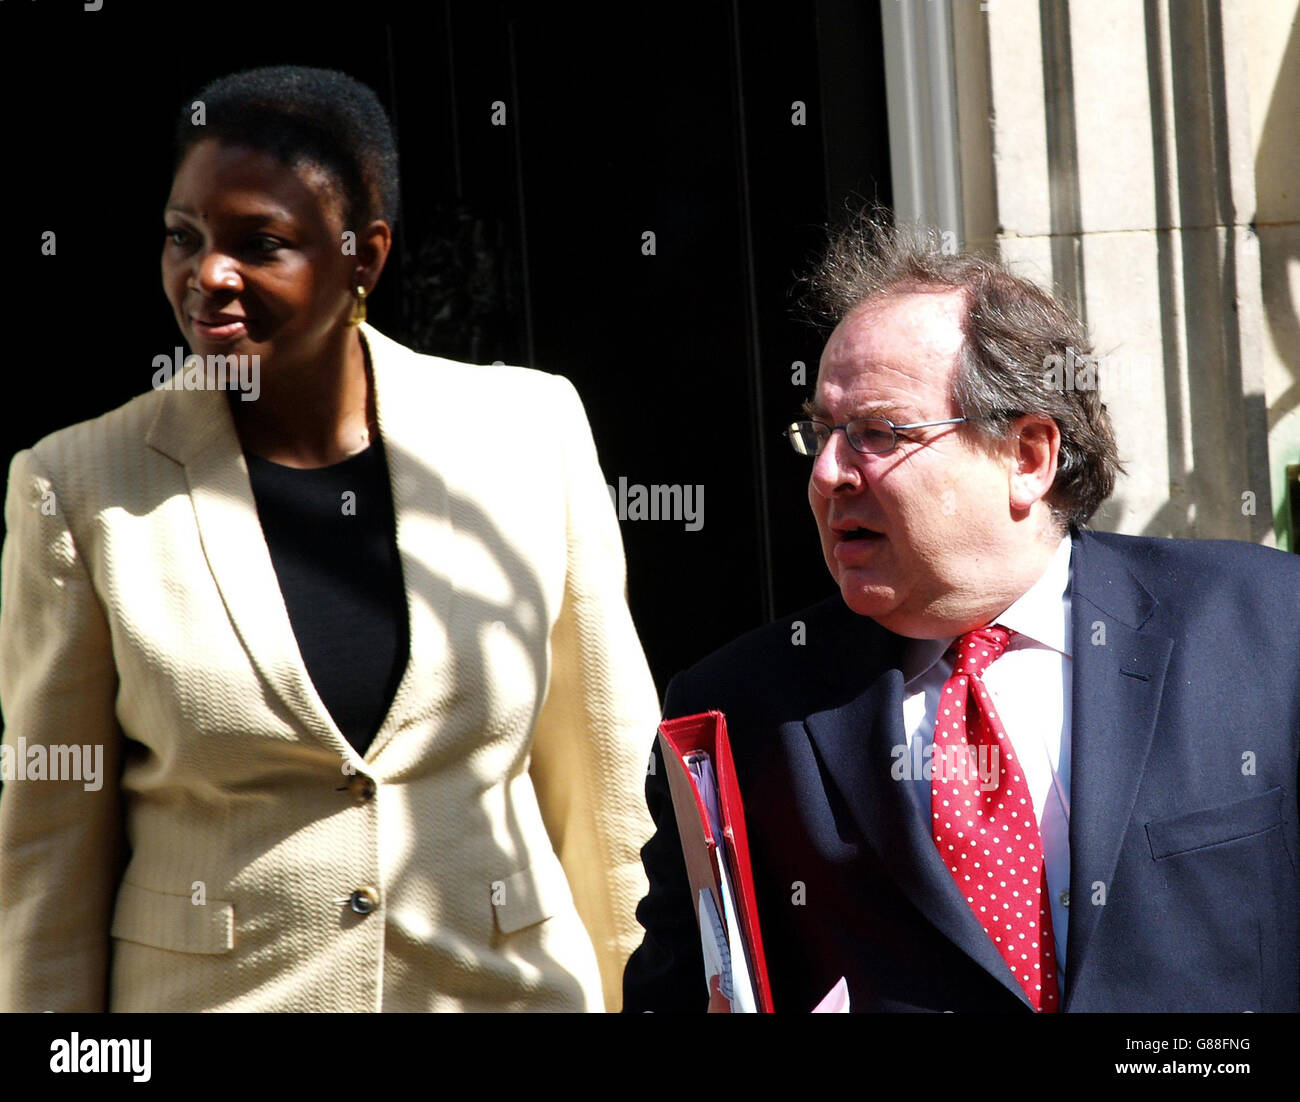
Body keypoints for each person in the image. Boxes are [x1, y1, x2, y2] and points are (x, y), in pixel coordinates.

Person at [0, 65, 658, 1012]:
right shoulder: (79, 486)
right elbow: (48, 858)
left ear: (365, 256)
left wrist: (655, 987)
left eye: (258, 244)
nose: (207, 277)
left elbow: (605, 788)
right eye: (183, 239)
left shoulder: (528, 433)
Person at [623, 212, 1300, 1013]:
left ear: (1027, 456)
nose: (829, 473)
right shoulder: (741, 709)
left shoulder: (1266, 625)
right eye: (821, 432)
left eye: (877, 433)